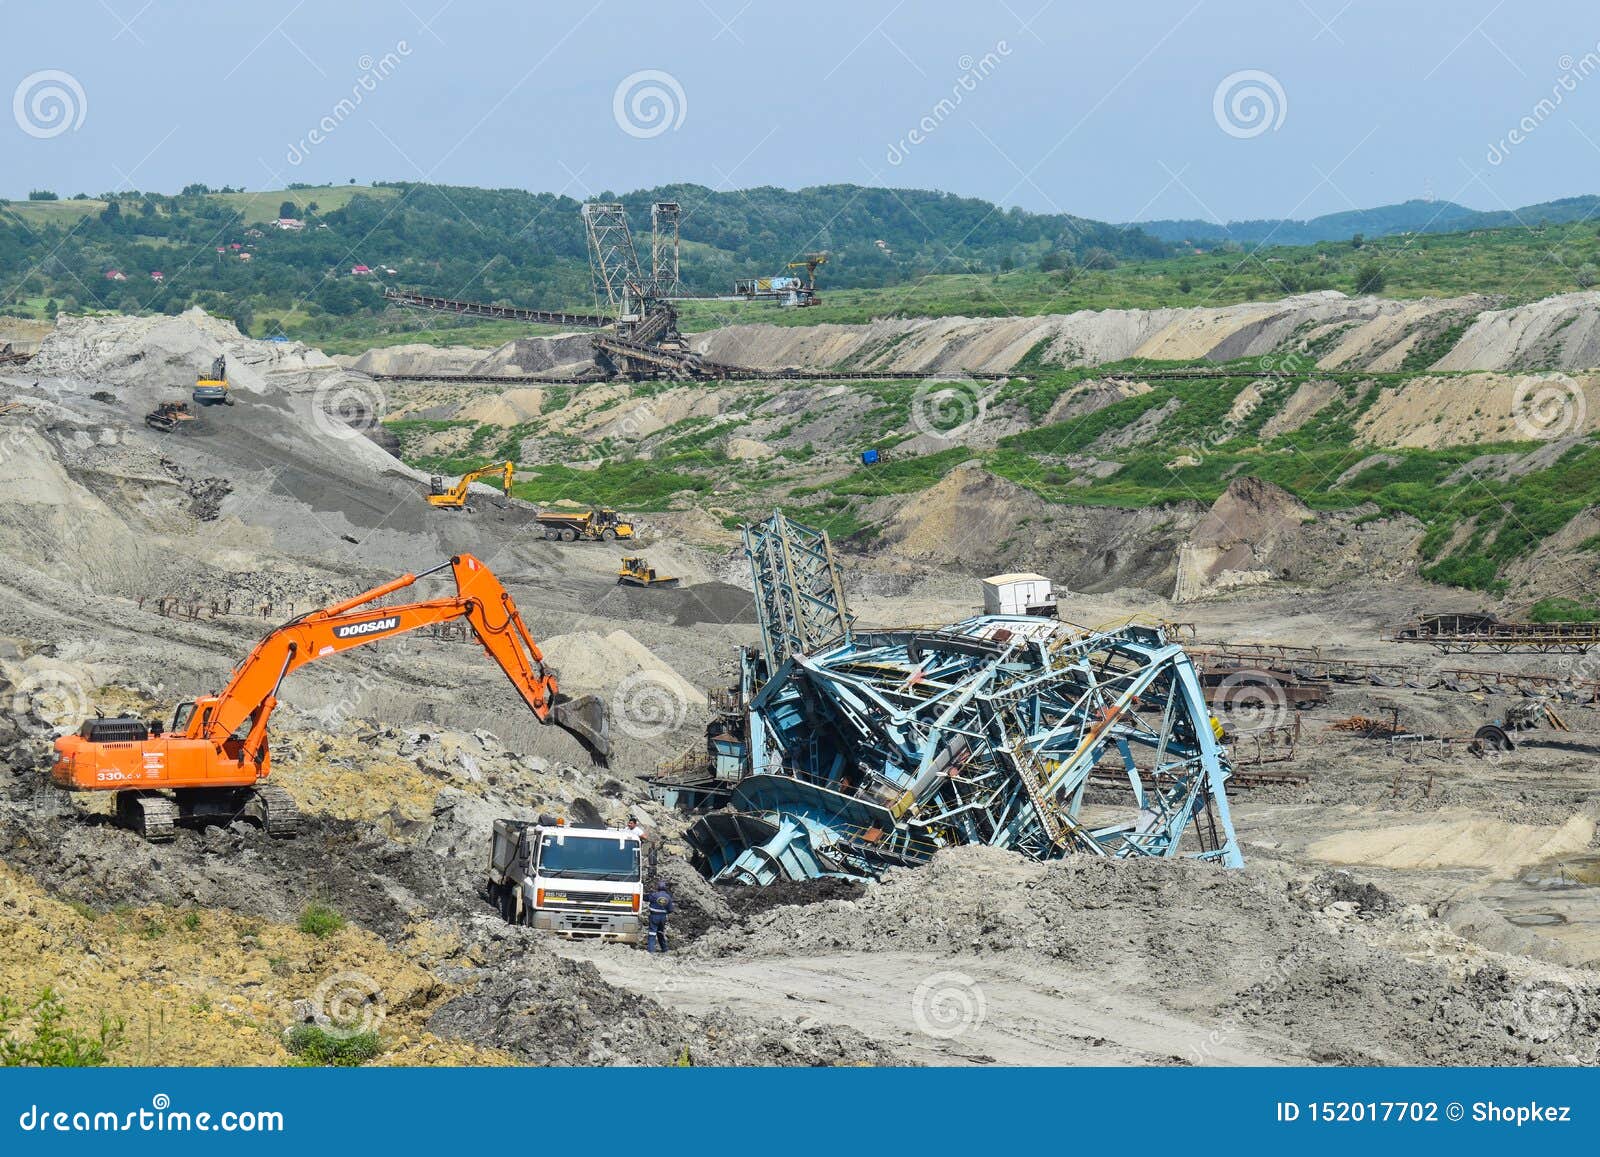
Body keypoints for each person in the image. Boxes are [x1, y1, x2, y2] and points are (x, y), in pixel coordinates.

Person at [645, 879, 673, 954]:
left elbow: (646, 898)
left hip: (654, 916)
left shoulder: (654, 895)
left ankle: (651, 950)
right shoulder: (668, 897)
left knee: (652, 933)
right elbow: (671, 909)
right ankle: (664, 949)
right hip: (662, 917)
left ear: (658, 887)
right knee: (660, 932)